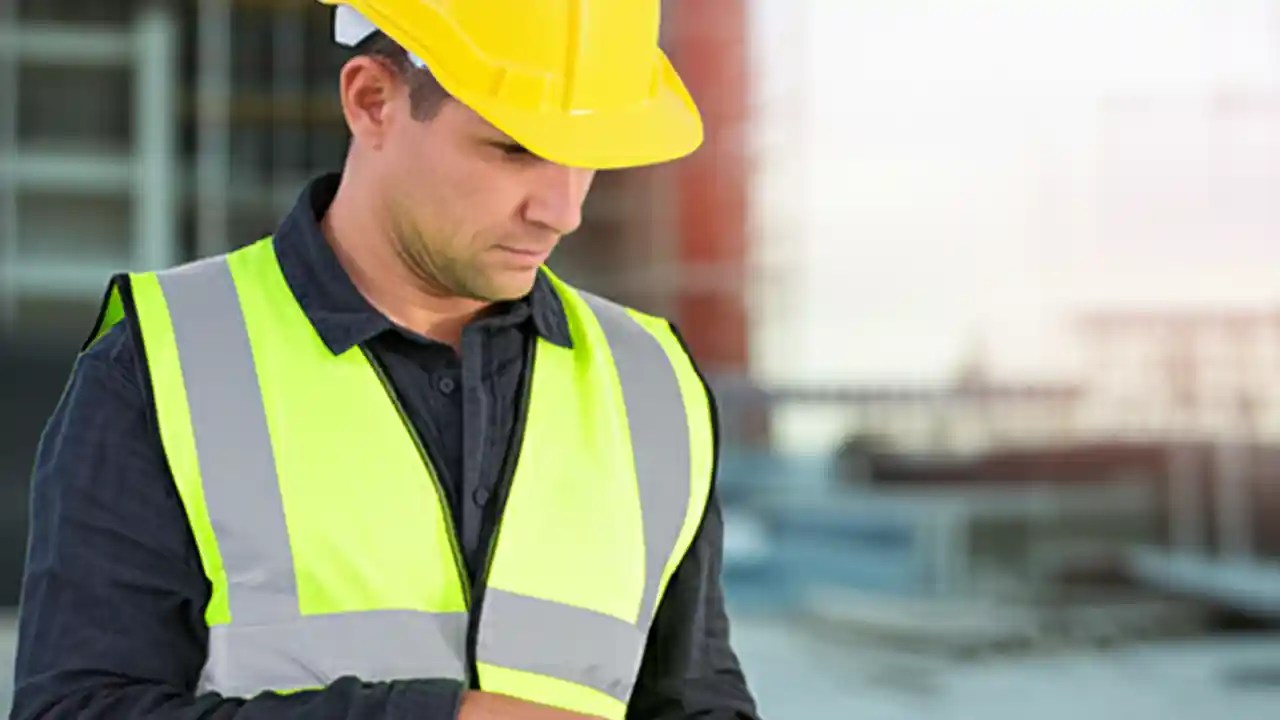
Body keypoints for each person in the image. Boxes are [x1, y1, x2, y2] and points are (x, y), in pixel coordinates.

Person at [9, 1, 761, 719]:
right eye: (514, 149)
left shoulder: (652, 385)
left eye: (587, 157)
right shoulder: (163, 364)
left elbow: (697, 705)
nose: (562, 210)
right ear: (373, 101)